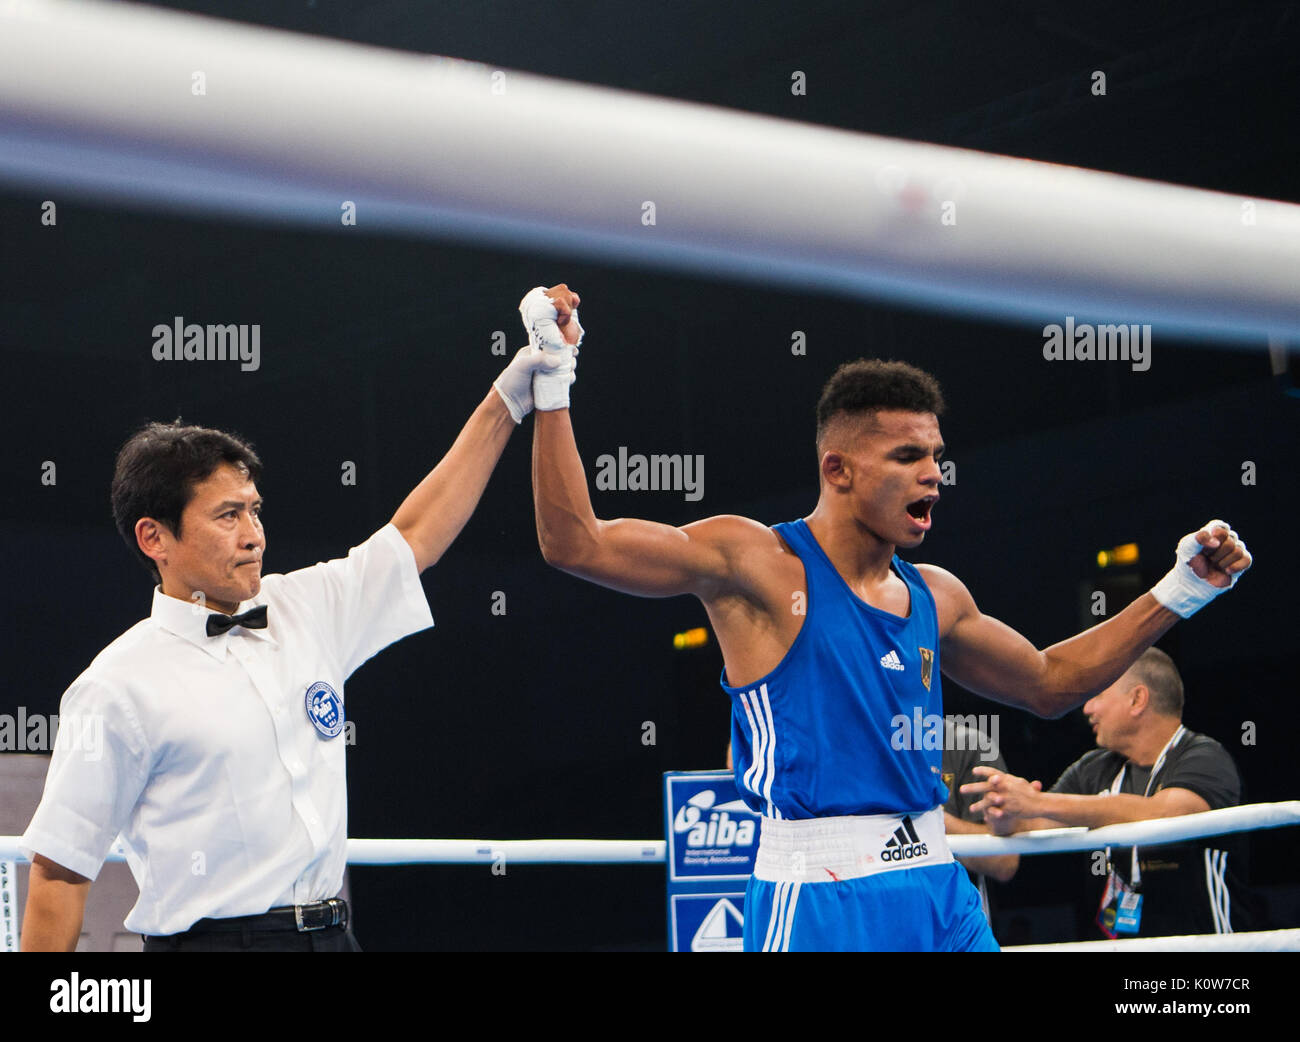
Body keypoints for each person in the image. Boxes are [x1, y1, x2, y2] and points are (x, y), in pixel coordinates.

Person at [526, 282, 1252, 952]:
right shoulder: (759, 565)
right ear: (838, 469)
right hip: (818, 895)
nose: (933, 472)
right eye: (907, 456)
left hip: (937, 883)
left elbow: (1049, 682)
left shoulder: (937, 595)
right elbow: (574, 542)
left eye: (936, 455)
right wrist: (555, 377)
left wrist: (1180, 590)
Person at [19, 340, 561, 951]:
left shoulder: (308, 607)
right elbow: (59, 873)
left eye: (255, 512)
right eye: (227, 517)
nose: (253, 536)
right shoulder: (115, 686)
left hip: (334, 937)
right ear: (155, 538)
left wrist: (508, 398)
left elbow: (414, 535)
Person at [962, 647, 1255, 938]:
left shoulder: (1205, 757)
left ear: (1137, 699)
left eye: (1098, 693)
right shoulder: (1094, 768)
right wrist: (1006, 812)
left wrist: (1038, 801)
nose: (1087, 708)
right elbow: (1036, 824)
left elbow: (1167, 814)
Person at [942, 722, 1019, 926]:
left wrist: (927, 817)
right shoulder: (857, 746)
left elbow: (1004, 862)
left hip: (956, 923)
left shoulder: (966, 745)